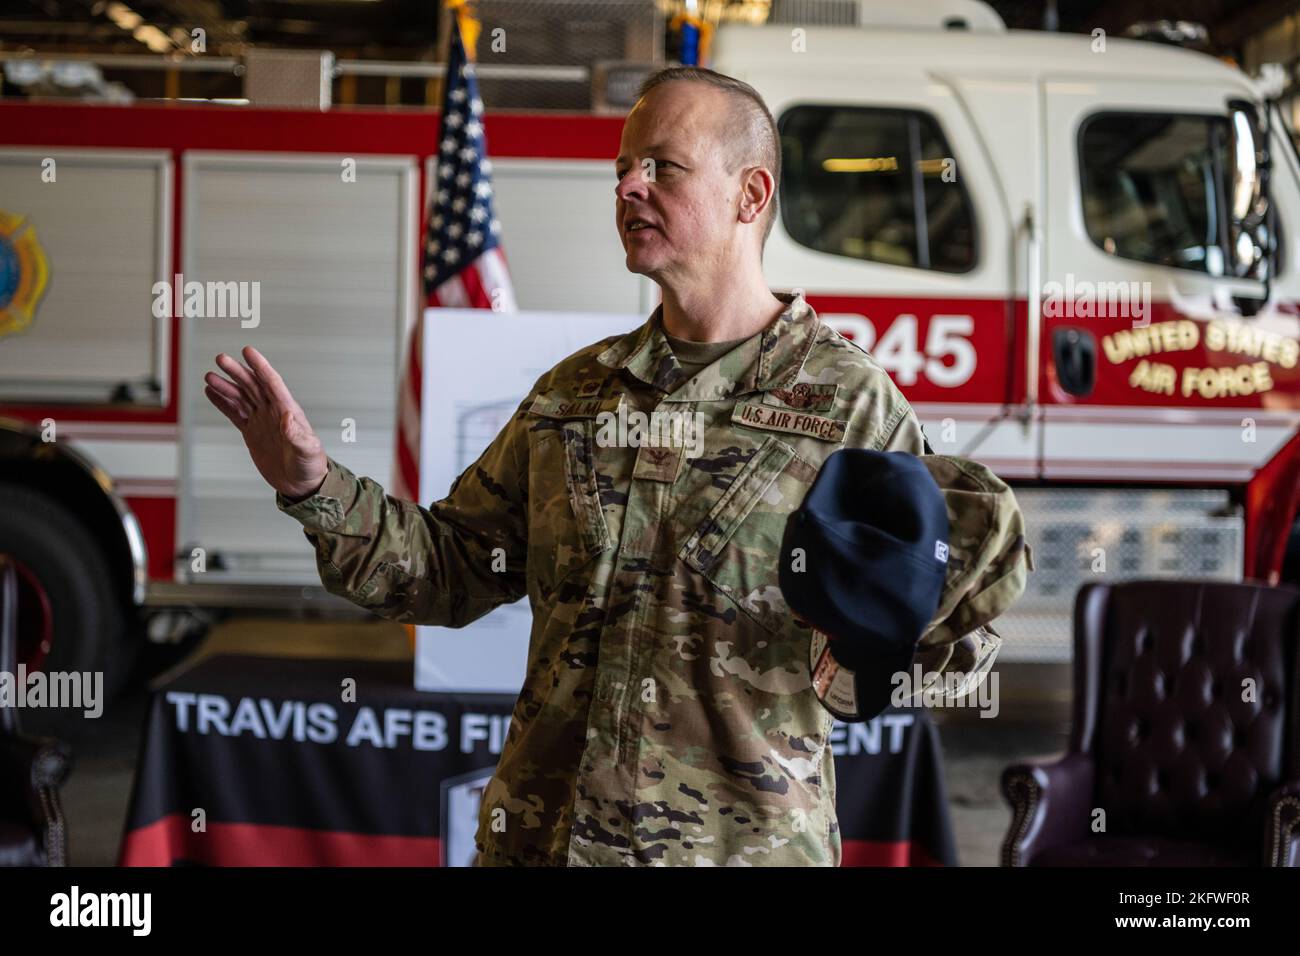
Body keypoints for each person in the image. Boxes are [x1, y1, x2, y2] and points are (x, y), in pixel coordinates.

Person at [203, 66, 1012, 866]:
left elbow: (957, 644)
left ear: (751, 195)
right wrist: (310, 483)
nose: (629, 187)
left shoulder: (849, 410)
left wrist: (877, 644)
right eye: (624, 168)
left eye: (663, 166)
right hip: (545, 844)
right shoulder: (575, 396)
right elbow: (446, 571)